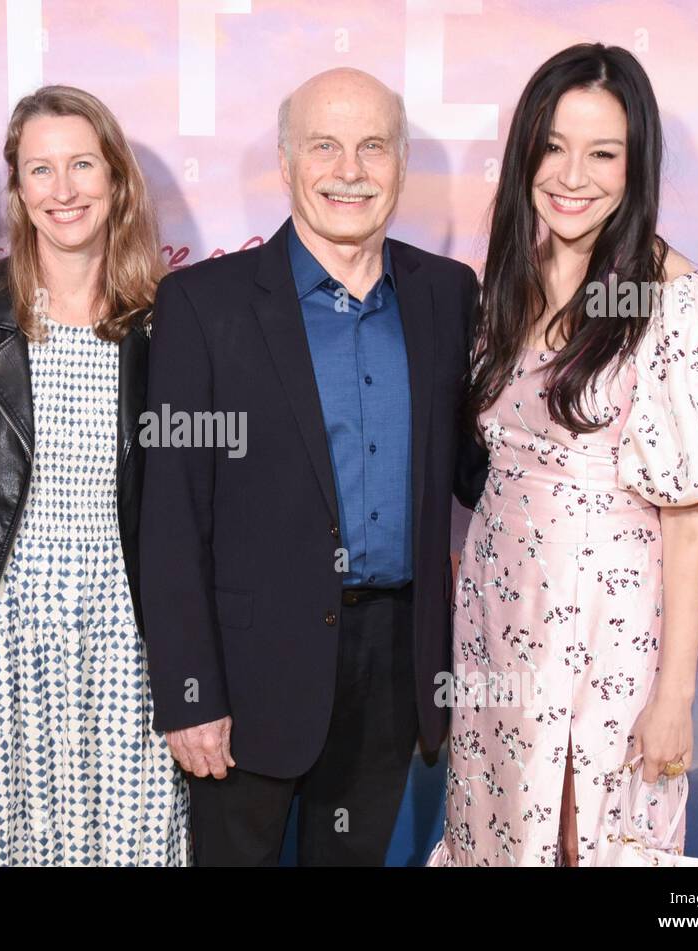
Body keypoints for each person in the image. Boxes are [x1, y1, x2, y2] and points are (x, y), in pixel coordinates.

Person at [427, 43, 698, 867]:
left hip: (606, 627)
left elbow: (690, 523)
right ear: (525, 153)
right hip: (492, 618)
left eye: (602, 153)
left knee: (586, 836)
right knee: (496, 832)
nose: (571, 174)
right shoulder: (506, 288)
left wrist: (676, 699)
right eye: (552, 146)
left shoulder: (682, 305)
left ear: (637, 166)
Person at [140, 67, 487, 866]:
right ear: (287, 160)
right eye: (324, 146)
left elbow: (480, 467)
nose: (349, 170)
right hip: (249, 667)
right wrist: (190, 691)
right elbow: (171, 518)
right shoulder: (202, 304)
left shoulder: (447, 294)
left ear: (400, 162)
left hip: (395, 663)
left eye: (372, 146)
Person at [0, 86, 190, 866]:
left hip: (127, 630)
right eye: (40, 169)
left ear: (117, 179)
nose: (64, 190)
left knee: (131, 840)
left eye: (82, 164)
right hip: (0, 631)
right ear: (17, 187)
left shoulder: (169, 318)